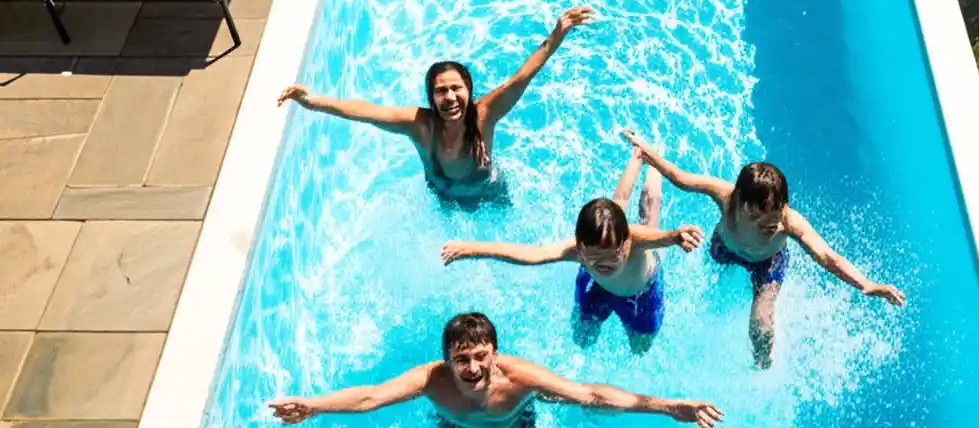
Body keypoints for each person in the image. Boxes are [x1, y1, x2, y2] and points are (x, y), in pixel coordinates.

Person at [622, 130, 905, 369]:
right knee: (717, 280)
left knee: (762, 322)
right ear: (741, 202)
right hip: (726, 248)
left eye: (774, 218)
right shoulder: (725, 197)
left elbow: (826, 256)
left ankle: (761, 366)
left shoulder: (789, 223)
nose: (769, 226)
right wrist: (648, 154)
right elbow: (681, 178)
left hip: (766, 262)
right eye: (758, 219)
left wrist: (866, 284)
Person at [277, 6, 595, 198]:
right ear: (431, 98)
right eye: (441, 91)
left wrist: (557, 35)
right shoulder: (420, 125)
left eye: (456, 88)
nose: (450, 97)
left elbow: (521, 77)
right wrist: (313, 100)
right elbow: (367, 112)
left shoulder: (485, 114)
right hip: (443, 199)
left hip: (489, 192)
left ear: (469, 91)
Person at [441, 148, 702, 353]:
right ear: (580, 248)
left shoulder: (636, 239)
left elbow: (667, 235)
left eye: (614, 256)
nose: (605, 265)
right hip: (598, 288)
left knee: (639, 350)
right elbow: (531, 255)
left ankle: (652, 160)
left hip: (640, 294)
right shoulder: (579, 249)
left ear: (625, 243)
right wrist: (472, 247)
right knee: (582, 340)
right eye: (594, 259)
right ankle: (638, 158)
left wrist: (677, 237)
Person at [267, 312, 724, 428]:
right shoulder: (432, 382)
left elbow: (589, 394)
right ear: (447, 361)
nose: (471, 368)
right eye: (461, 359)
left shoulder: (519, 378)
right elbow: (370, 397)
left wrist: (669, 408)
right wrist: (312, 406)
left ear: (495, 354)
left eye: (480, 356)